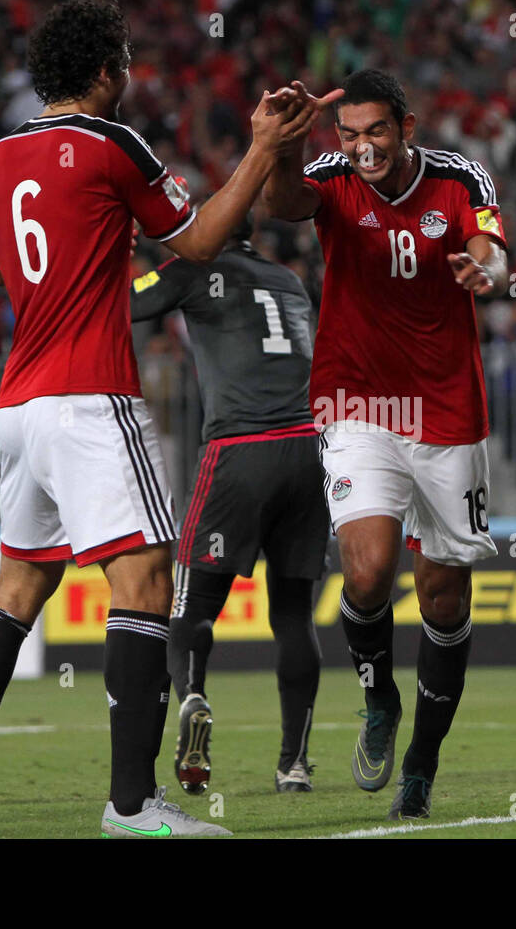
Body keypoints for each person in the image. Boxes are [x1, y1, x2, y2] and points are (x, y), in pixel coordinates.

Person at [0, 0, 337, 839]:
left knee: (16, 590)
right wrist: (263, 147)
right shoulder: (114, 145)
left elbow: (7, 268)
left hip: (20, 402)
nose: (131, 75)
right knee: (146, 584)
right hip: (90, 396)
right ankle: (133, 804)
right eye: (126, 62)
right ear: (106, 71)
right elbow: (204, 240)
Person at [263, 69, 511, 819]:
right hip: (357, 400)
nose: (362, 147)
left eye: (375, 131)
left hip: (446, 411)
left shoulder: (459, 174)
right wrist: (284, 145)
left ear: (406, 126)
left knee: (442, 591)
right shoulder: (329, 173)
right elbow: (281, 204)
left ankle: (423, 763)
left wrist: (485, 269)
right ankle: (378, 697)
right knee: (366, 571)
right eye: (350, 134)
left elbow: (493, 247)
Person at [131, 210, 328, 795]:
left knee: (190, 608)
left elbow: (122, 303)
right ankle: (293, 762)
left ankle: (192, 693)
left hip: (240, 451)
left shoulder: (194, 266)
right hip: (309, 450)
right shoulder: (289, 279)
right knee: (293, 614)